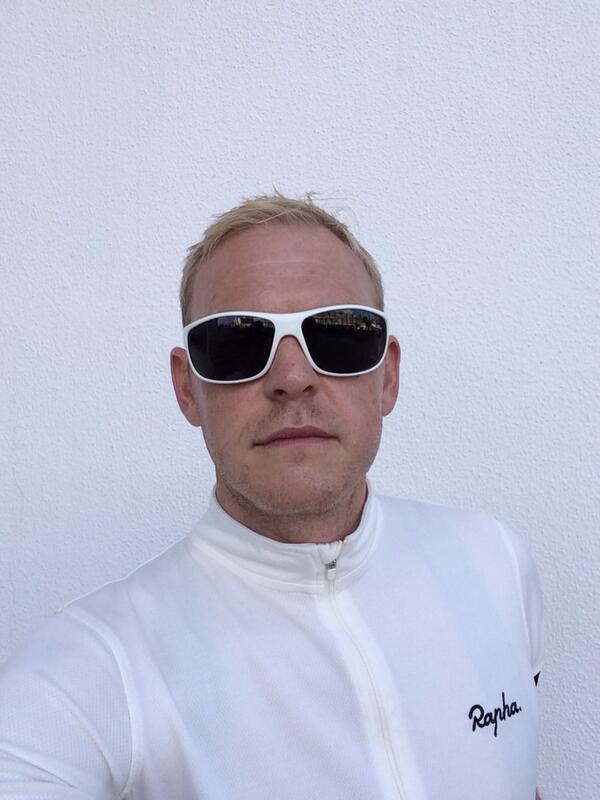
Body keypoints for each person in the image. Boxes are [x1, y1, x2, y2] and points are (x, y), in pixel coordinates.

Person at [0, 194, 543, 799]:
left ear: (387, 376)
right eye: (237, 342)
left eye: (338, 334)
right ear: (187, 389)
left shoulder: (495, 562)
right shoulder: (93, 670)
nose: (292, 377)